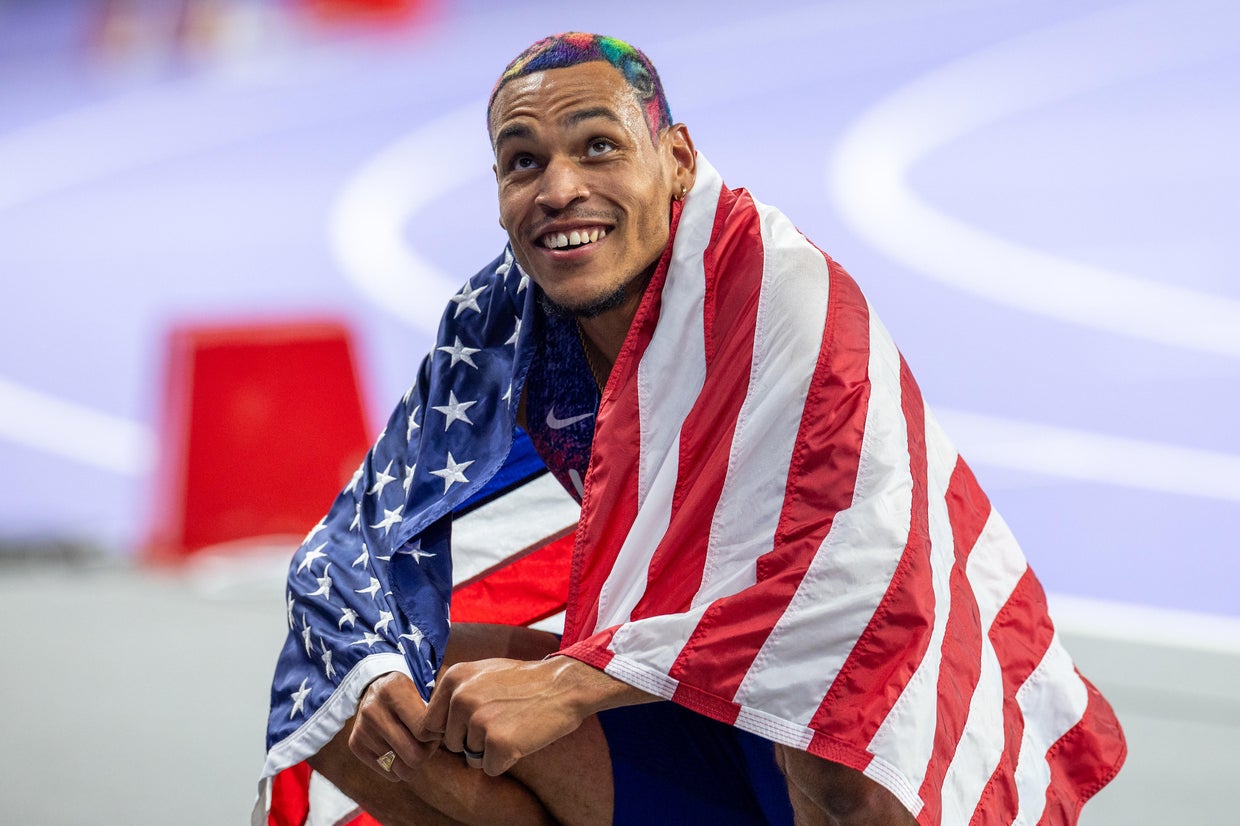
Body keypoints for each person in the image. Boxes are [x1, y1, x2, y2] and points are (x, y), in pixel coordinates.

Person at [256, 33, 1126, 825]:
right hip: (681, 685)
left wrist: (563, 687)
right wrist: (374, 673)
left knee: (838, 735)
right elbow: (356, 541)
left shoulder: (789, 301)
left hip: (869, 706)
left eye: (599, 146)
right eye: (524, 163)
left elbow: (850, 595)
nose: (560, 190)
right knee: (349, 688)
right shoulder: (506, 319)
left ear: (675, 159)